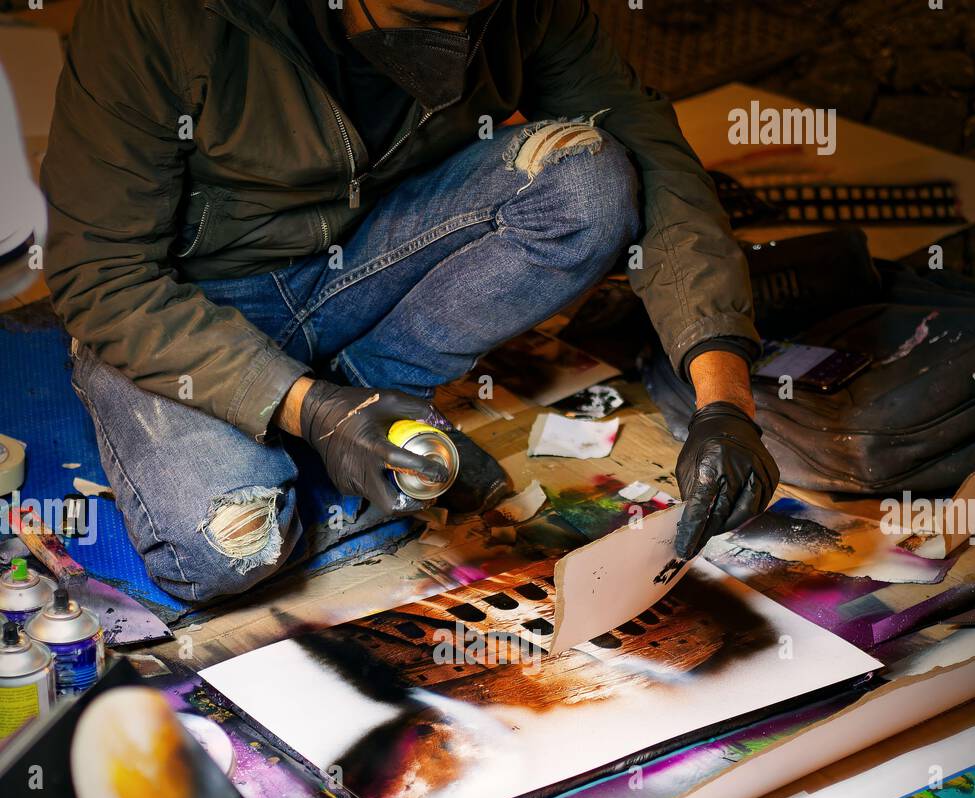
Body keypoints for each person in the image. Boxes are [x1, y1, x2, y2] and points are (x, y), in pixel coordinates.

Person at [42, 0, 778, 605]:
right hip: (188, 310)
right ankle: (327, 421)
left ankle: (370, 392)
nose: (456, 45)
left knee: (588, 177)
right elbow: (102, 274)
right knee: (230, 550)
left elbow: (655, 163)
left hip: (361, 261)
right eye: (419, 14)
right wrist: (309, 409)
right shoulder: (156, 16)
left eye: (474, 15)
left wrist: (723, 403)